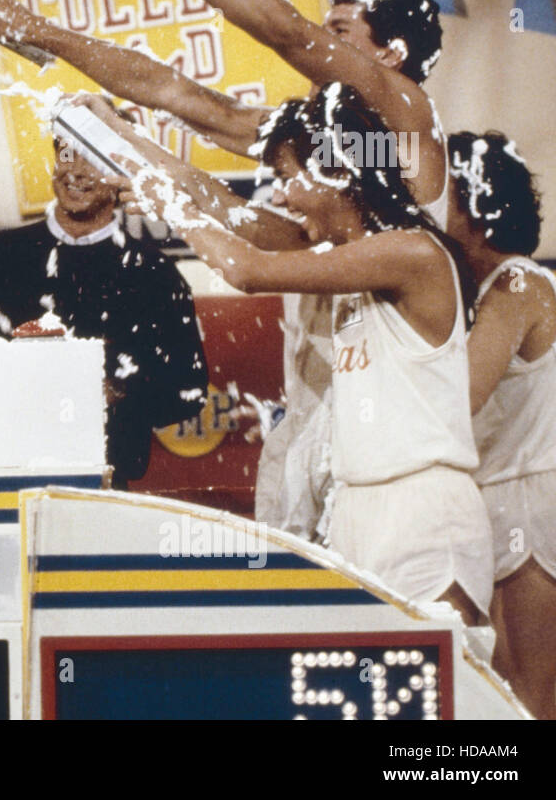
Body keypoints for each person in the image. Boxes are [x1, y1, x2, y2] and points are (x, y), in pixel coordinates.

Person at [0, 0, 452, 535]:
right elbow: (176, 96)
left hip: (396, 453)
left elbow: (287, 34)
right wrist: (38, 33)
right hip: (320, 426)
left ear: (390, 57)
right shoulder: (324, 153)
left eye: (340, 35)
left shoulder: (407, 124)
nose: (320, 47)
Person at [115, 83, 490, 623]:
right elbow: (229, 211)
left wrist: (171, 206)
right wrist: (123, 139)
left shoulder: (413, 252)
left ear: (337, 172)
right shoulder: (345, 254)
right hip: (354, 508)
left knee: (435, 679)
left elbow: (248, 270)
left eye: (289, 178)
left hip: (423, 513)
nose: (282, 196)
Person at [0, 121, 208, 485]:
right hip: (1, 473)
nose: (75, 171)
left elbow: (190, 390)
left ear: (123, 171)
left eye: (94, 158)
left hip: (104, 482)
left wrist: (119, 391)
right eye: (67, 154)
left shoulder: (153, 273)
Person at [450, 131, 556, 719]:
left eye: (440, 196)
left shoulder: (518, 284)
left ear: (478, 212)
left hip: (528, 497)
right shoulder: (487, 291)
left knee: (524, 694)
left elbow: (457, 400)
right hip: (499, 494)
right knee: (500, 695)